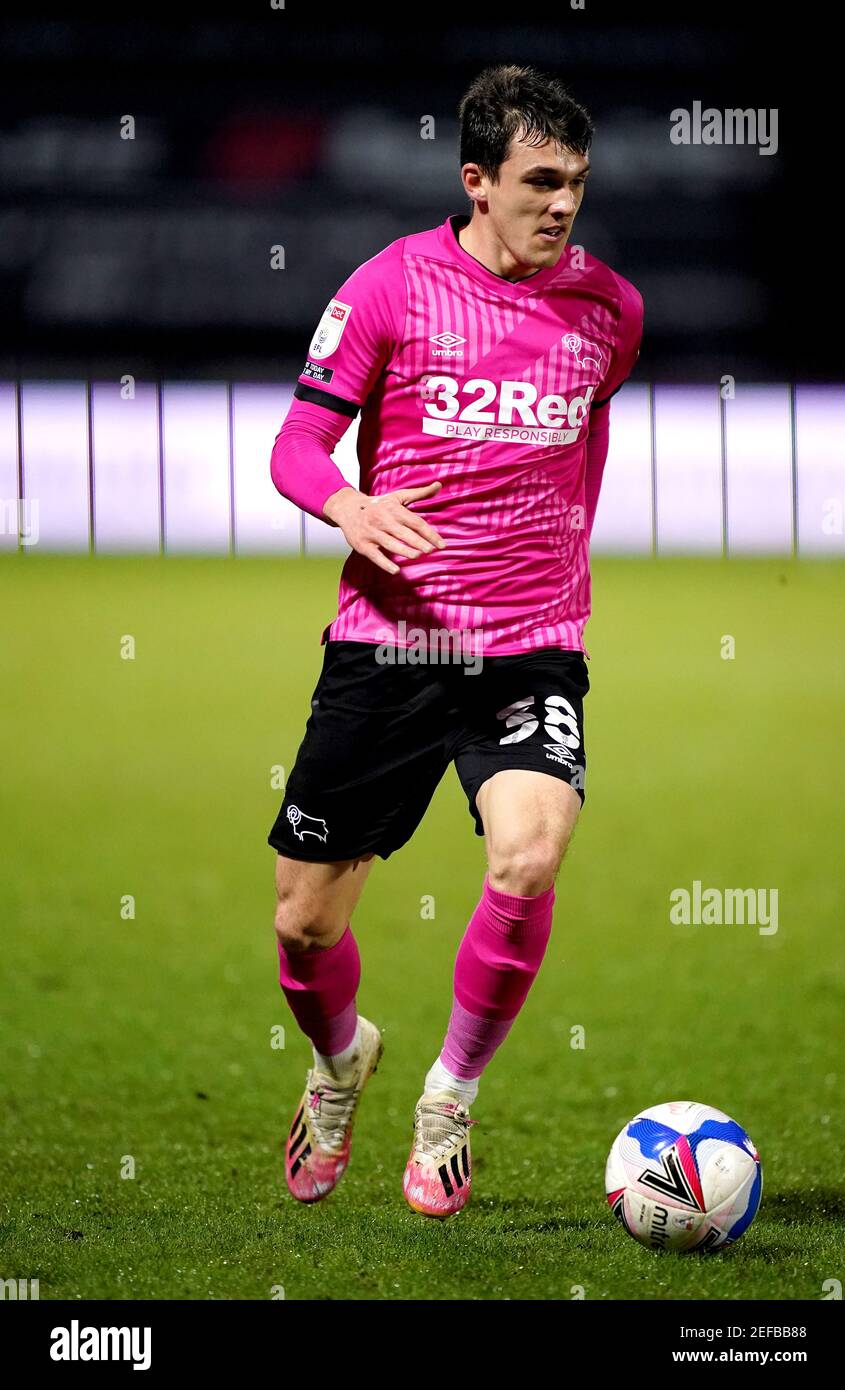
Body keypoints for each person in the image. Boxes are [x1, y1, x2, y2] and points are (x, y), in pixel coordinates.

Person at [268, 63, 643, 1218]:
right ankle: (340, 1065)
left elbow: (582, 454)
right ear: (474, 181)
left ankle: (447, 1101)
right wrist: (347, 507)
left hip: (528, 647)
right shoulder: (389, 286)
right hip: (388, 642)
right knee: (303, 920)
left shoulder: (609, 310)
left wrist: (555, 589)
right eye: (538, 180)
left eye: (574, 181)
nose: (561, 203)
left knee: (527, 857)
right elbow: (294, 446)